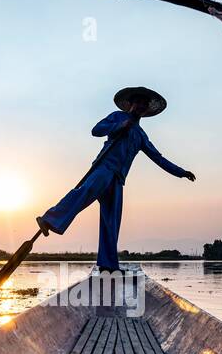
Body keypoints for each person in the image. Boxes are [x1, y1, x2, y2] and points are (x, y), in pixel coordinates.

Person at [37, 86, 195, 272]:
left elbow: (158, 158)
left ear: (146, 110)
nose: (140, 107)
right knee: (84, 193)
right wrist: (119, 126)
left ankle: (107, 264)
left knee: (111, 221)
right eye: (138, 103)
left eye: (144, 105)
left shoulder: (141, 135)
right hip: (104, 168)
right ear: (130, 104)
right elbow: (96, 130)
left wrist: (181, 172)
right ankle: (49, 219)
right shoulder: (118, 117)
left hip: (118, 179)